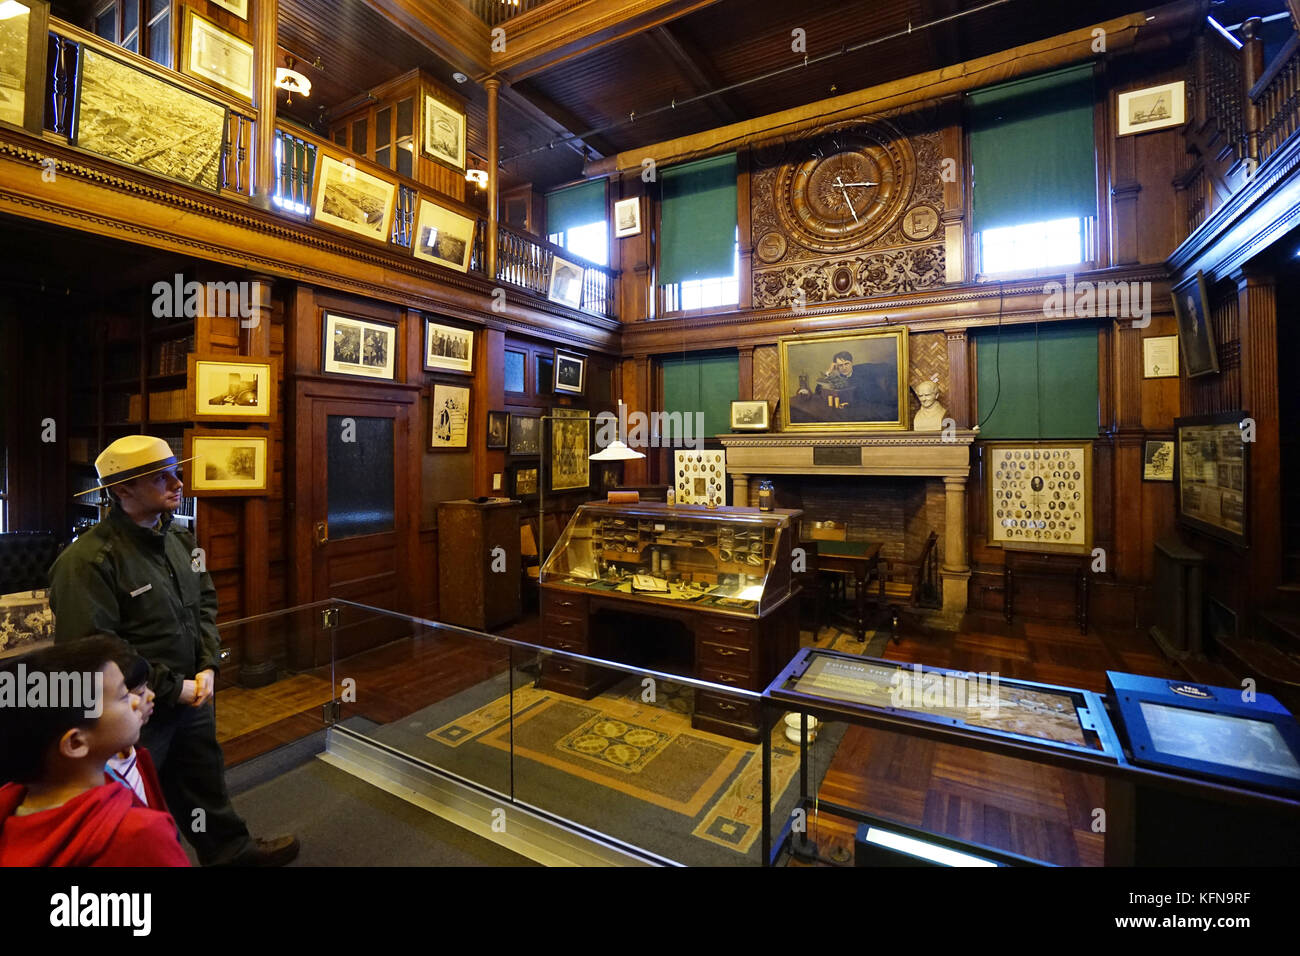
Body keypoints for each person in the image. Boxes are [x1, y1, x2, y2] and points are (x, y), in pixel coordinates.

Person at [48, 434, 298, 866]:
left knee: (204, 784)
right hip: (135, 712)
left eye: (176, 471)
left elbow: (205, 603)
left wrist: (207, 665)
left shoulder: (182, 540)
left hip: (194, 696)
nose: (177, 482)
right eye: (162, 476)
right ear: (123, 489)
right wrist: (169, 688)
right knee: (134, 808)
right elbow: (93, 650)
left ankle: (232, 854)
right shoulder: (86, 562)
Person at [0, 636, 191, 866]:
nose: (135, 700)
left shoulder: (13, 813)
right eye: (122, 695)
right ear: (76, 743)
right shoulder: (140, 837)